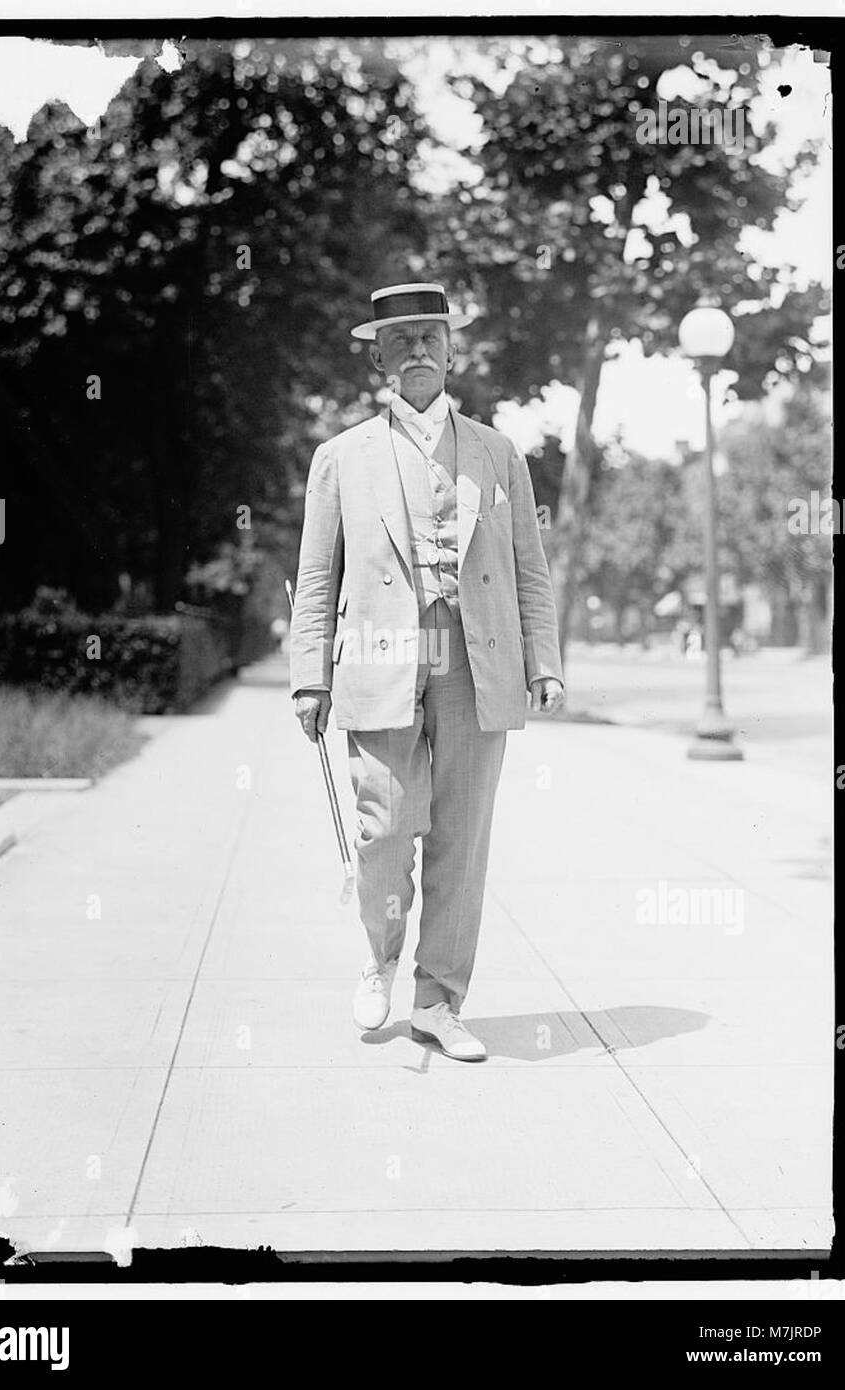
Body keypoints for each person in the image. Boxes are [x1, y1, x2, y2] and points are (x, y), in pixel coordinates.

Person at [289, 282, 564, 1061]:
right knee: (386, 828)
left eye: (430, 337)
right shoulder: (340, 458)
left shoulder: (496, 451)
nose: (417, 351)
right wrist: (309, 676)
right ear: (377, 355)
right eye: (400, 338)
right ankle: (376, 962)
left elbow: (529, 571)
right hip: (379, 660)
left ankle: (439, 1003)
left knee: (461, 839)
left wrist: (542, 660)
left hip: (476, 660)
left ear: (451, 351)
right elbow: (316, 579)